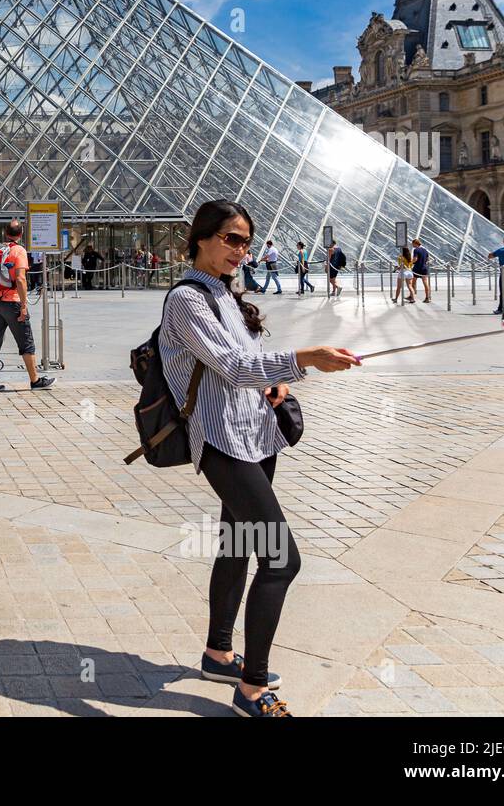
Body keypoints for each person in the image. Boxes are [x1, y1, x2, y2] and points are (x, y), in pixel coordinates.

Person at [159, 199, 360, 717]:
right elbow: (230, 363)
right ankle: (250, 688)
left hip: (256, 434)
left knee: (239, 545)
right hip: (223, 442)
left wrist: (273, 382)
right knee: (282, 559)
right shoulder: (187, 298)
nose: (240, 249)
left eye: (246, 241)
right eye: (230, 238)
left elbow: (245, 366)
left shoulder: (225, 293)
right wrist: (304, 359)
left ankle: (218, 652)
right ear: (201, 238)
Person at [0, 220, 55, 393]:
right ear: (21, 234)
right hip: (12, 302)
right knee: (26, 342)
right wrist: (23, 305)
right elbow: (20, 279)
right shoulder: (18, 250)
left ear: (6, 233)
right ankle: (35, 380)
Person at [410, 238, 430, 302]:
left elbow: (415, 259)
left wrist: (410, 262)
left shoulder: (416, 250)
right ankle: (427, 297)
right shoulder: (425, 250)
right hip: (424, 268)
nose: (412, 245)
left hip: (417, 268)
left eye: (413, 244)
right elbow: (427, 260)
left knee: (413, 282)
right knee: (425, 283)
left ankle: (412, 297)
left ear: (415, 243)